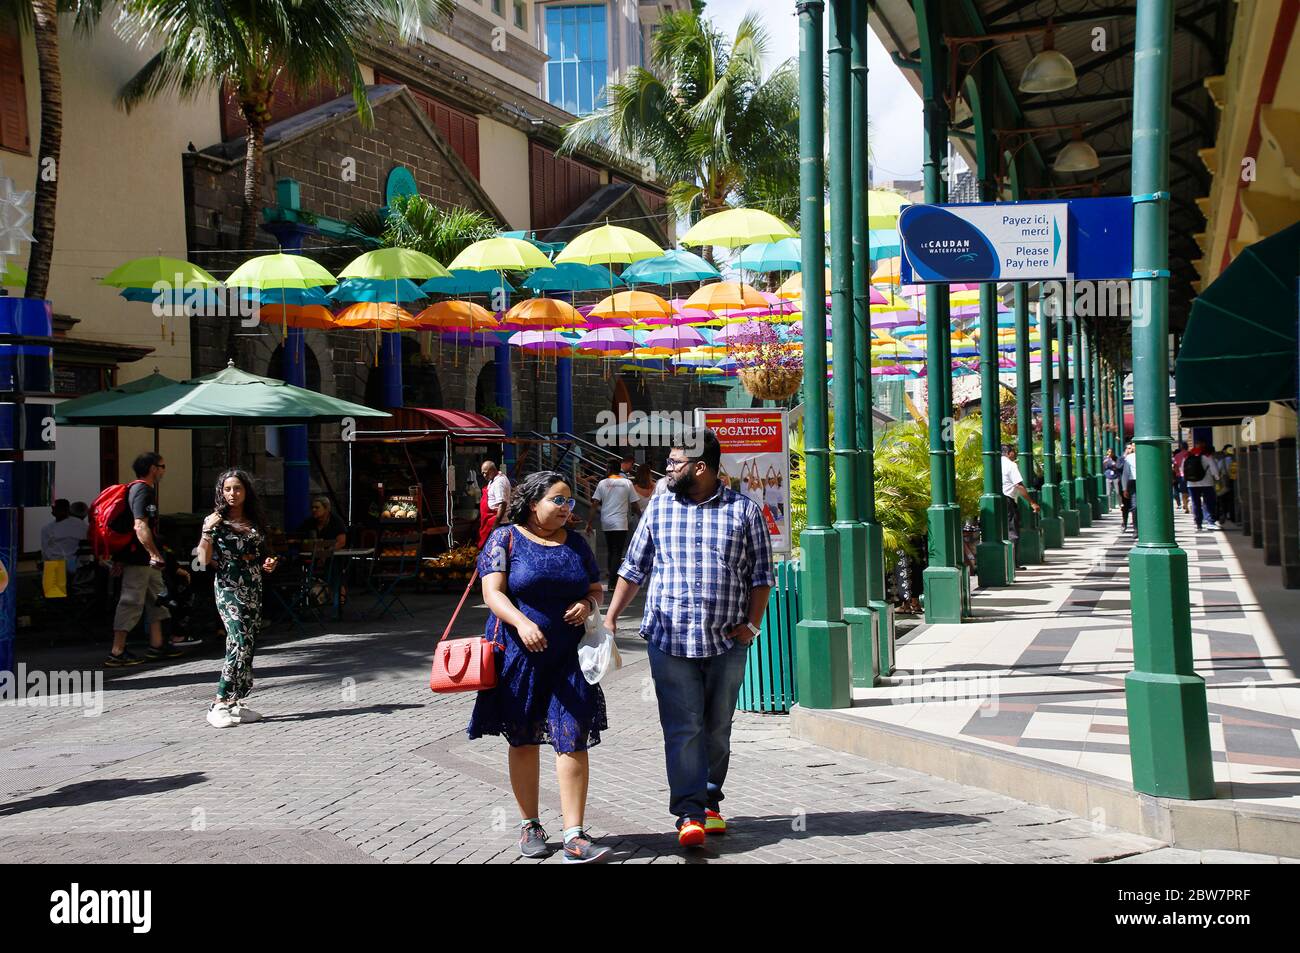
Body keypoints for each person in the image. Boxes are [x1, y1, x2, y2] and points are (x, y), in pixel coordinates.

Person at [603, 428, 775, 848]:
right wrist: (609, 620)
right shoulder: (660, 508)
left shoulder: (744, 511)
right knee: (684, 727)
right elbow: (633, 568)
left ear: (701, 467)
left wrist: (751, 626)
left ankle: (710, 800)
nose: (667, 468)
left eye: (675, 462)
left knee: (717, 728)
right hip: (669, 639)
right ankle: (689, 812)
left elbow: (761, 576)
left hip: (727, 642)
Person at [468, 471, 610, 864]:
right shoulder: (506, 538)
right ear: (533, 504)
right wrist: (522, 623)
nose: (567, 508)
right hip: (519, 655)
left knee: (573, 734)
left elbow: (596, 588)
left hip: (570, 657)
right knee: (524, 737)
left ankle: (574, 834)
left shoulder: (577, 544)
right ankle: (530, 823)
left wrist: (589, 604)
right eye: (558, 501)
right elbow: (491, 592)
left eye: (569, 502)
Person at [198, 469, 279, 729]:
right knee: (239, 640)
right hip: (229, 587)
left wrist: (269, 562)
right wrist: (207, 532)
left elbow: (265, 554)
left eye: (238, 489)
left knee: (249, 641)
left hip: (253, 586)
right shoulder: (215, 521)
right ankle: (219, 702)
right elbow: (202, 560)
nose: (233, 494)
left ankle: (236, 702)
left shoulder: (254, 520)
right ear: (221, 492)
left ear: (246, 492)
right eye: (228, 489)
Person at [107, 453, 182, 667]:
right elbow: (140, 525)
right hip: (140, 559)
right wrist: (153, 553)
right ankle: (117, 652)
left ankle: (158, 646)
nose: (164, 471)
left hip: (143, 560)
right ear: (153, 468)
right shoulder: (142, 491)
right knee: (131, 602)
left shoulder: (138, 489)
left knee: (158, 599)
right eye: (162, 466)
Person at [587, 463, 637, 586]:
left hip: (607, 521)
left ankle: (611, 577)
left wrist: (589, 521)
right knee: (617, 551)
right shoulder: (627, 483)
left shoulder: (602, 483)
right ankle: (613, 582)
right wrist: (641, 516)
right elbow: (634, 503)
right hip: (621, 521)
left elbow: (595, 503)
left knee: (611, 550)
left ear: (608, 470)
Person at [1001, 444, 1040, 559]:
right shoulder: (1011, 465)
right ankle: (1013, 562)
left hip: (999, 499)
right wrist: (1032, 502)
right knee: (1012, 531)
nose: (1016, 454)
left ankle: (1006, 561)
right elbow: (1019, 485)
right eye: (1014, 451)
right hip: (1008, 499)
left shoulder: (995, 464)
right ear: (1008, 452)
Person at [1183, 440, 1222, 531]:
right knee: (1208, 502)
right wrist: (1217, 478)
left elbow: (1182, 469)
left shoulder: (1188, 456)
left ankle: (1198, 523)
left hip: (1192, 484)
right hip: (1207, 483)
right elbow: (1213, 469)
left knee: (1196, 503)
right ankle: (1210, 522)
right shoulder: (1207, 456)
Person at [40, 499, 86, 570]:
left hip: (55, 566)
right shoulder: (83, 525)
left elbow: (46, 553)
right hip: (77, 565)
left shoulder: (47, 529)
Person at [478, 459, 511, 549]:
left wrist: (495, 525)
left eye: (486, 473)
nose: (484, 476)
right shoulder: (492, 480)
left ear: (493, 470)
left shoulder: (499, 482)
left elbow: (502, 504)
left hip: (499, 523)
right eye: (483, 473)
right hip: (489, 521)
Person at [1120, 442, 1138, 534]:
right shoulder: (1129, 458)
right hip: (1133, 482)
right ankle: (1136, 528)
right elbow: (1125, 473)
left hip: (1143, 482)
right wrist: (1124, 488)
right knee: (1134, 506)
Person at [1171, 440, 1191, 513]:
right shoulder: (1190, 454)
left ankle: (1186, 507)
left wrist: (1176, 473)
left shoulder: (1177, 455)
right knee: (1190, 491)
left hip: (1181, 476)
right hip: (1190, 475)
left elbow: (1175, 466)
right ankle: (1189, 505)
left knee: (1183, 492)